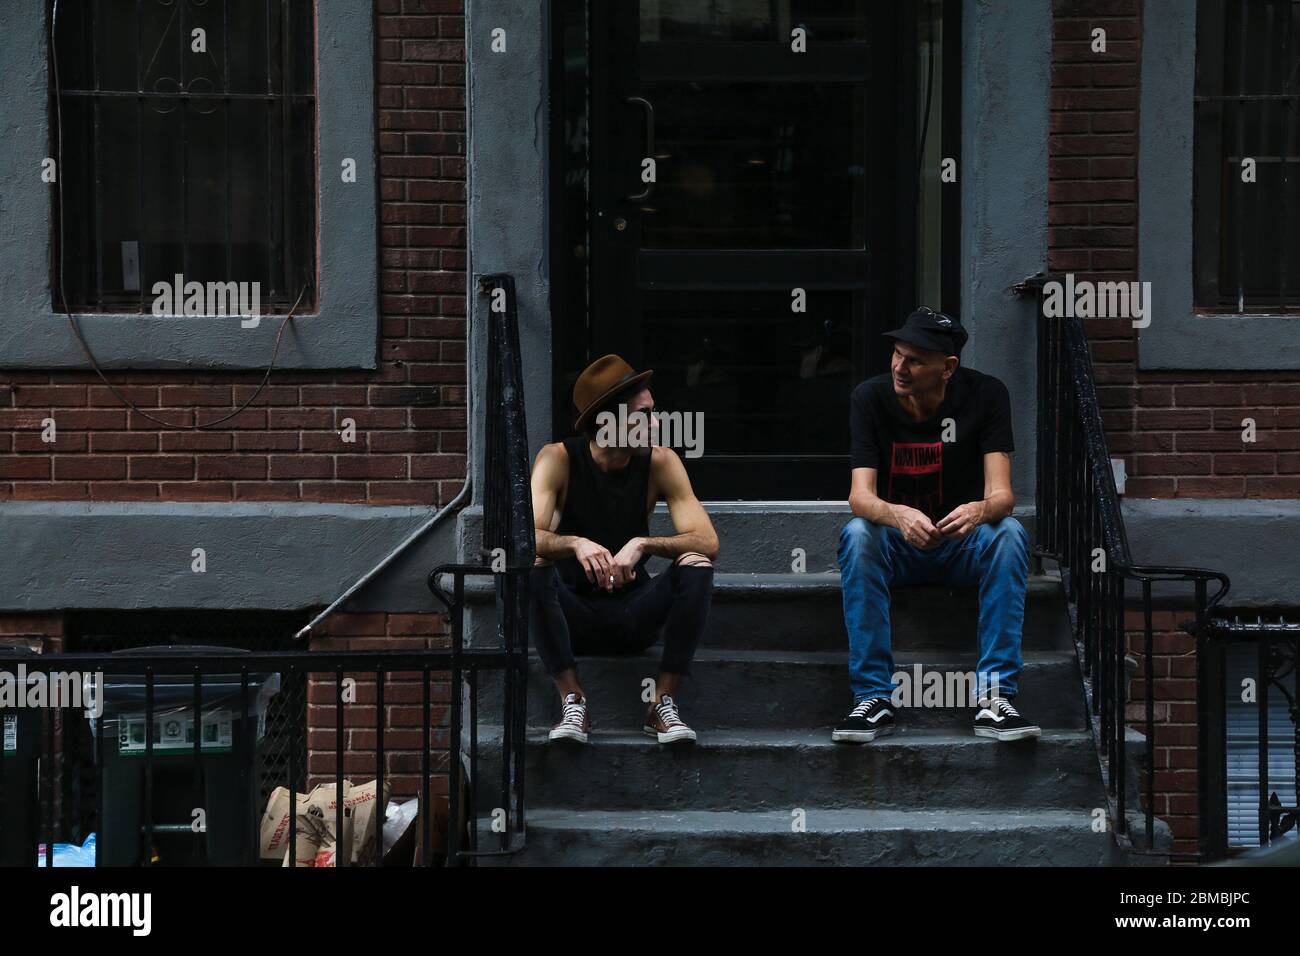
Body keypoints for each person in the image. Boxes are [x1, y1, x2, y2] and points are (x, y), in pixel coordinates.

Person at [833, 307, 1041, 744]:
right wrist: (899, 514)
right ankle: (873, 697)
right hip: (900, 548)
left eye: (913, 360)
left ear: (947, 368)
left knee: (1009, 534)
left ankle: (994, 699)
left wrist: (979, 511)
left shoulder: (986, 394)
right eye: (896, 354)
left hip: (960, 545)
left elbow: (1003, 496)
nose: (899, 367)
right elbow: (860, 497)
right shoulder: (870, 398)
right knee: (857, 534)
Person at [529, 354, 719, 746]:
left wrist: (644, 543)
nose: (654, 424)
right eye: (642, 415)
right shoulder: (558, 459)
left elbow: (708, 541)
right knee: (530, 562)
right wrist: (574, 543)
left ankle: (661, 703)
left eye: (653, 413)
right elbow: (522, 538)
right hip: (571, 618)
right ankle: (572, 698)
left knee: (696, 563)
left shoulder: (660, 462)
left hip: (634, 615)